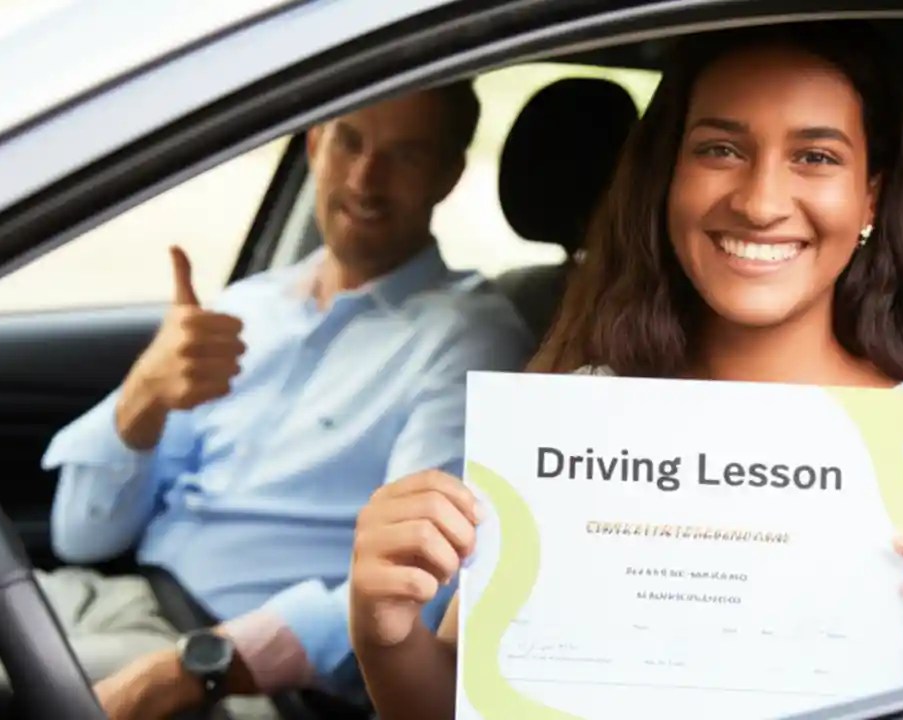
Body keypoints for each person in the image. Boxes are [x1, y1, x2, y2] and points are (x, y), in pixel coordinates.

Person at [344, 21, 903, 720]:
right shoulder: (573, 415)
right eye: (720, 149)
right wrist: (385, 633)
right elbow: (469, 702)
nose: (760, 203)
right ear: (669, 178)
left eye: (816, 156)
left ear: (870, 195)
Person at [34, 81, 535, 719]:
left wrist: (192, 668)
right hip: (119, 601)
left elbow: (419, 593)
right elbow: (81, 537)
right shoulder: (248, 305)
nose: (365, 179)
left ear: (447, 175)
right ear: (315, 142)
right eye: (349, 141)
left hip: (237, 678)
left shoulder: (467, 339)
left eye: (405, 155)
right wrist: (142, 398)